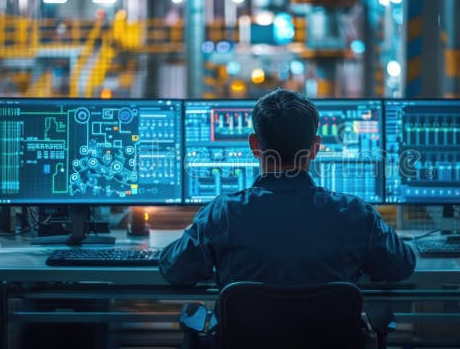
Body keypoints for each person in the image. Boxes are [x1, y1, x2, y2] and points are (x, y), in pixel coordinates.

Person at [159, 89, 415, 287]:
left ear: (254, 145)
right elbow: (401, 266)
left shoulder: (222, 214)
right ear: (315, 148)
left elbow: (175, 271)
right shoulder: (356, 214)